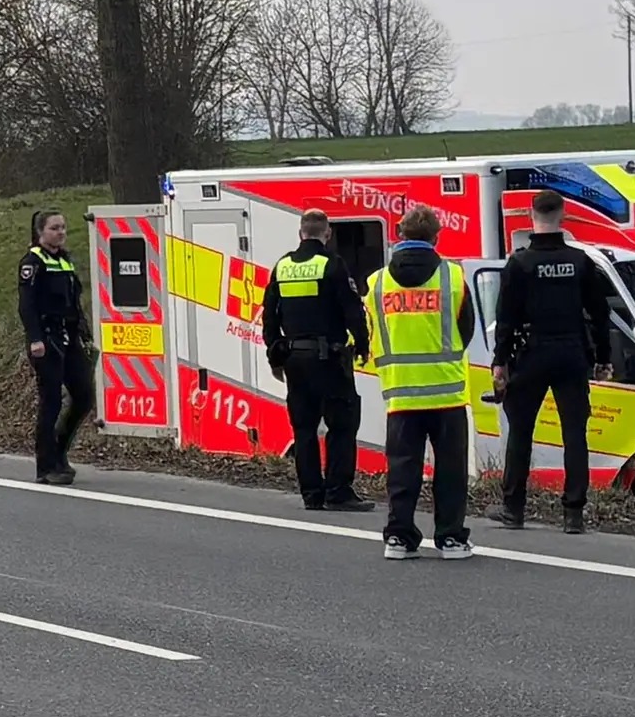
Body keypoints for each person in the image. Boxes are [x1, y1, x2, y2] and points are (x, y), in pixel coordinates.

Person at [486, 189, 614, 534]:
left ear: (532, 215)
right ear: (564, 214)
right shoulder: (580, 261)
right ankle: (573, 514)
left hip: (531, 354)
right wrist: (604, 358)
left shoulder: (520, 263)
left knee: (521, 432)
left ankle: (514, 509)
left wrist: (500, 361)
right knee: (575, 433)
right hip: (572, 353)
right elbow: (600, 314)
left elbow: (507, 318)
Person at [364, 204, 477, 561]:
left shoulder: (376, 282)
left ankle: (398, 537)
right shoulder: (453, 277)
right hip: (447, 393)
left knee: (402, 469)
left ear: (399, 235)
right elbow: (467, 329)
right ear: (436, 237)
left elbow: (369, 333)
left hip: (400, 393)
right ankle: (451, 539)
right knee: (451, 470)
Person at [262, 209, 374, 513]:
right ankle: (338, 491)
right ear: (327, 234)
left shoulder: (281, 267)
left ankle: (311, 494)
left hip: (295, 359)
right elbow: (352, 311)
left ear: (301, 234)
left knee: (304, 428)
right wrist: (363, 345)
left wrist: (275, 352)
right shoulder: (332, 265)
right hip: (330, 358)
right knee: (341, 423)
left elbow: (269, 317)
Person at [17, 208, 95, 485]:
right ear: (40, 232)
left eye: (63, 227)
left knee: (84, 395)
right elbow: (27, 305)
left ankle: (60, 452)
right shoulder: (32, 262)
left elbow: (73, 302)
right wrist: (35, 338)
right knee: (50, 402)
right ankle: (46, 467)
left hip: (70, 337)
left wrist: (84, 331)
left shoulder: (64, 260)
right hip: (46, 340)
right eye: (54, 228)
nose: (60, 232)